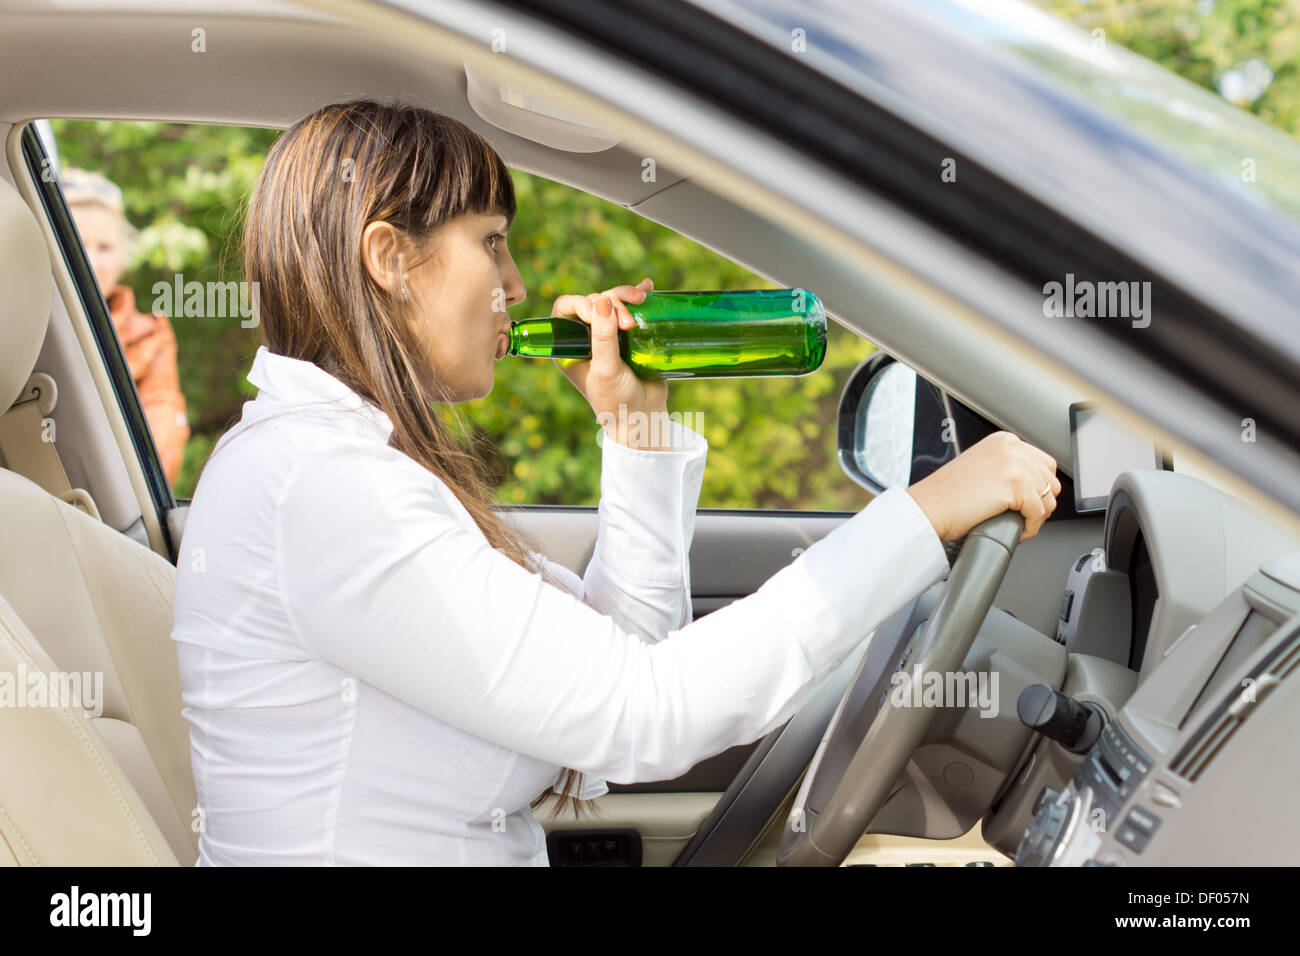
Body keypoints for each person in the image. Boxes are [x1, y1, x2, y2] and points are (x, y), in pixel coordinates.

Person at [170, 100, 1060, 867]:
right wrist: (921, 515)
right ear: (389, 258)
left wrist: (632, 430)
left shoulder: (348, 464)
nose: (515, 285)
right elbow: (649, 715)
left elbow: (625, 659)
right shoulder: (322, 485)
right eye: (491, 243)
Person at [63, 168, 190, 484]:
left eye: (105, 247)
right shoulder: (27, 318)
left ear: (122, 254)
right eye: (80, 243)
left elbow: (163, 439)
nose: (92, 262)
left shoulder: (150, 334)